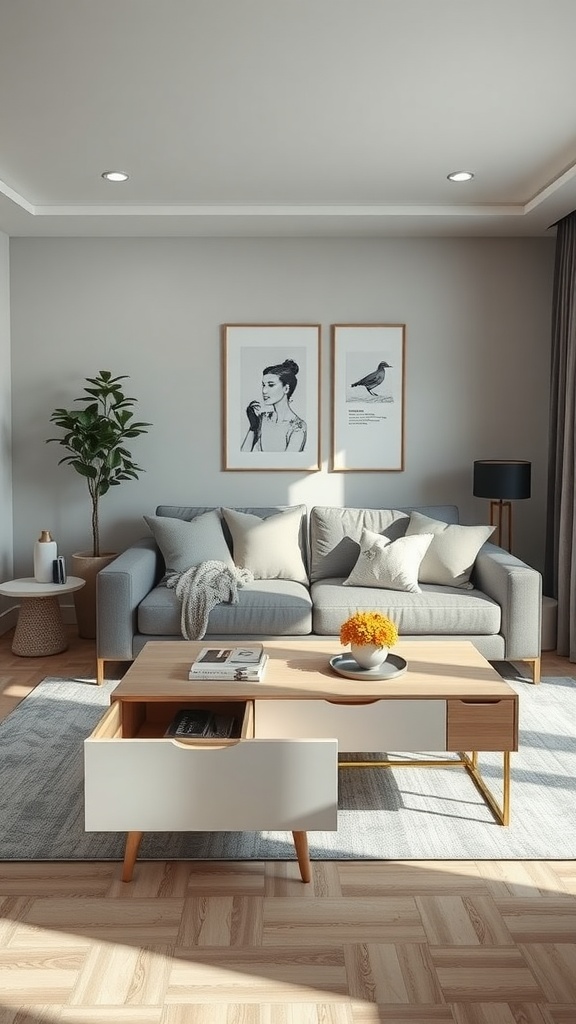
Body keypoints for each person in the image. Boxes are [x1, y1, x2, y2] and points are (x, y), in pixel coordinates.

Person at [241, 358, 307, 452]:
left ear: (286, 389)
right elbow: (243, 456)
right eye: (263, 385)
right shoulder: (262, 418)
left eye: (271, 385)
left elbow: (288, 464)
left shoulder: (298, 427)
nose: (264, 391)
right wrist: (253, 428)